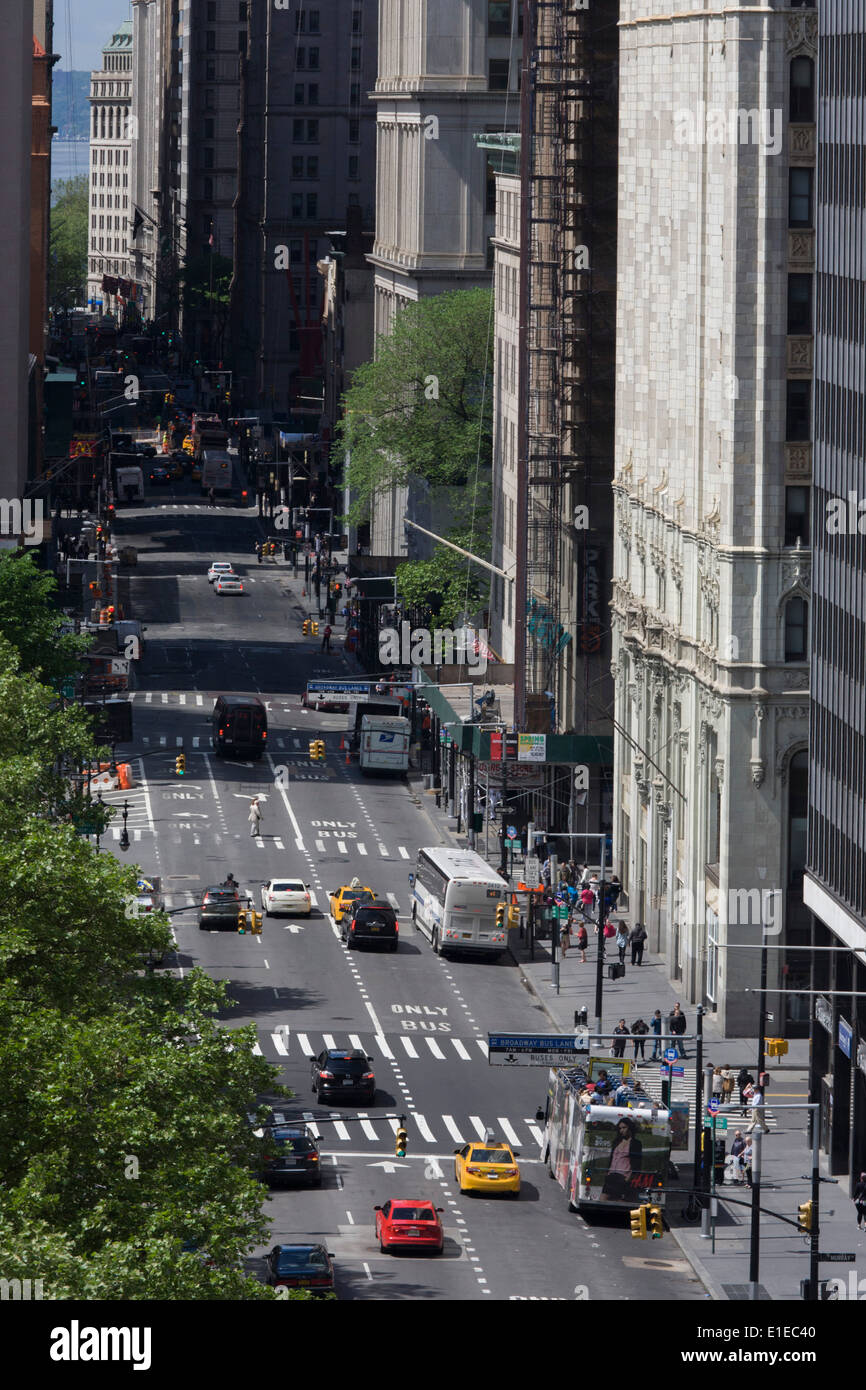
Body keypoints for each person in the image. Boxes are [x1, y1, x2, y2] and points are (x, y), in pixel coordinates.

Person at [600, 1116, 643, 1202]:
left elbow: (637, 1163)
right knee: (603, 1199)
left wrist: (629, 1178)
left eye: (624, 1128)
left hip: (623, 1177)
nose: (621, 1130)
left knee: (620, 1201)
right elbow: (612, 1158)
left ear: (630, 1128)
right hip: (611, 1175)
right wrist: (607, 1173)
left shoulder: (635, 1143)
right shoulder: (617, 1142)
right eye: (620, 1128)